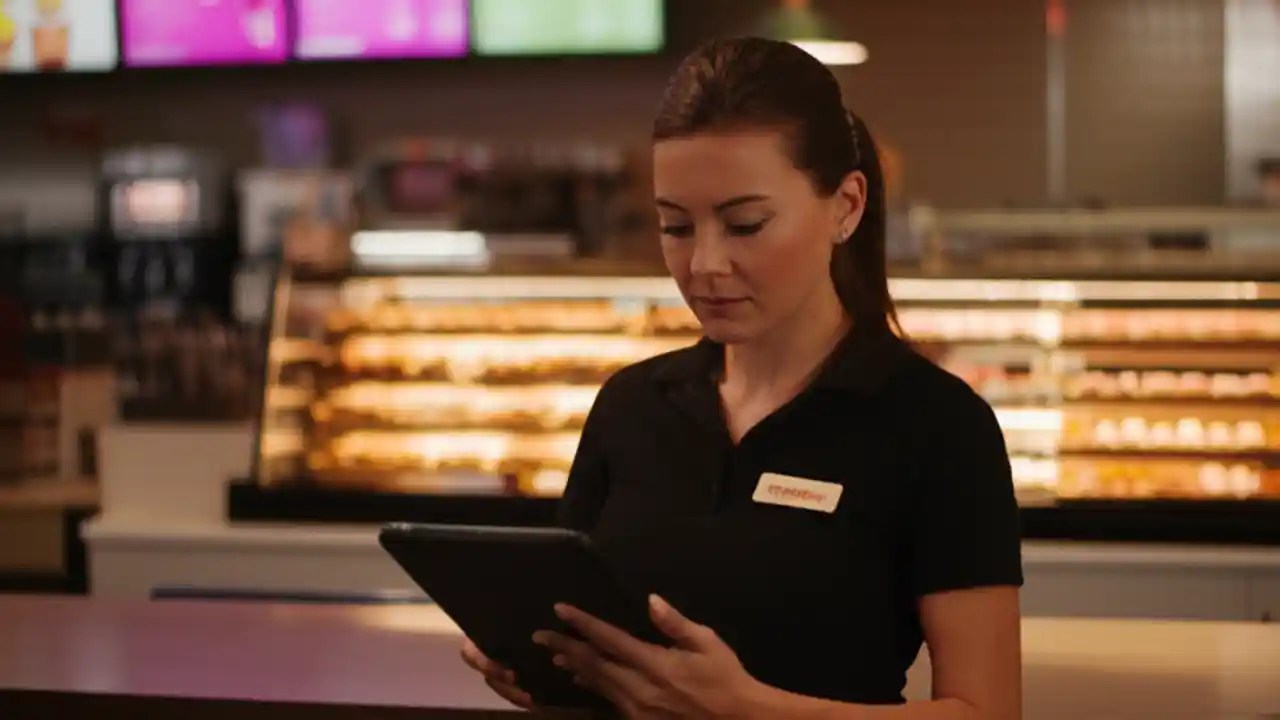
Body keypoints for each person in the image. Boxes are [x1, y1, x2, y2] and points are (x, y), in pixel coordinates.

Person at [462, 37, 1023, 719]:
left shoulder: (937, 426)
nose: (704, 265)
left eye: (745, 224)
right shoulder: (631, 406)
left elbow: (986, 710)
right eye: (675, 226)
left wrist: (748, 709)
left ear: (845, 206)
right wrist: (547, 674)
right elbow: (591, 645)